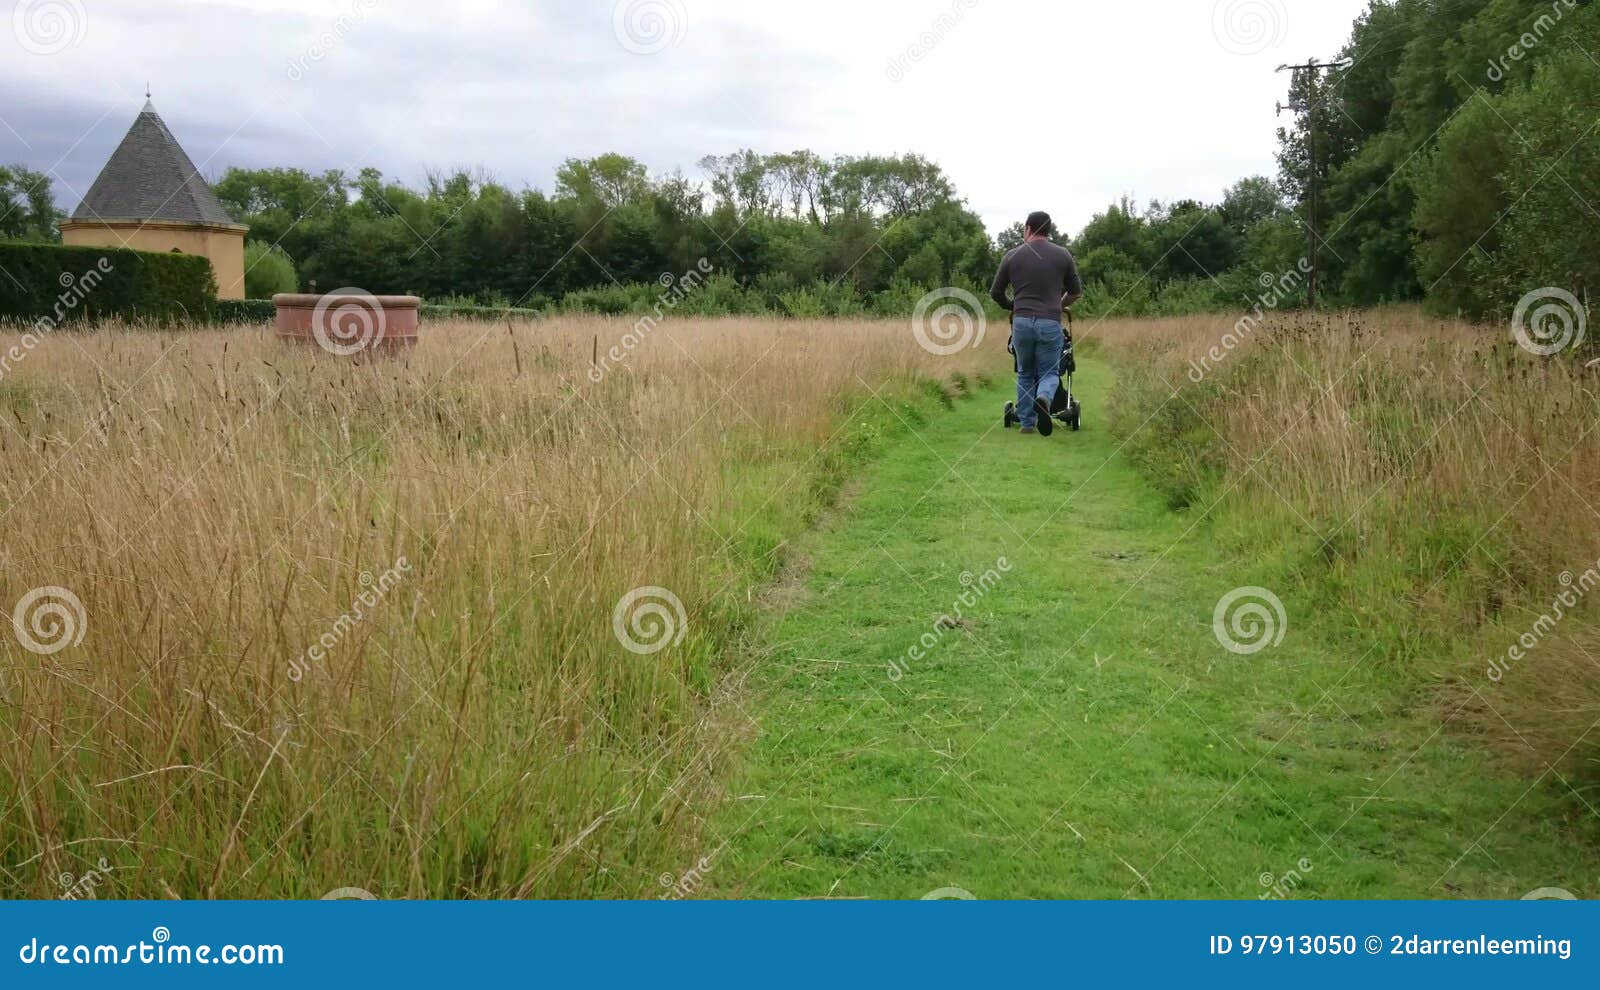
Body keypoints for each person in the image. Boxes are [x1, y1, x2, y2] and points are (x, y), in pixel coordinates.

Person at [990, 211, 1083, 436]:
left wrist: (1013, 306)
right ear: (1048, 230)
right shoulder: (1063, 255)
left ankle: (1027, 424)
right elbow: (1076, 292)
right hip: (1050, 321)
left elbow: (996, 292)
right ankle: (1044, 398)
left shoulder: (1012, 255)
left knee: (1025, 372)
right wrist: (1059, 305)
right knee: (1050, 372)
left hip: (1022, 322)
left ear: (1028, 228)